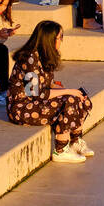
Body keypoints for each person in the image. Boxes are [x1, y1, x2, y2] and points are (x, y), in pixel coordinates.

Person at [7, 21, 94, 163]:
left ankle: (75, 140)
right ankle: (61, 150)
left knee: (80, 98)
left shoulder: (44, 54)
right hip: (22, 108)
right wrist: (67, 92)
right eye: (60, 37)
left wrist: (70, 91)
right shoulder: (30, 59)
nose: (61, 41)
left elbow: (48, 84)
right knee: (69, 100)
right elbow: (35, 94)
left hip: (37, 101)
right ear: (50, 39)